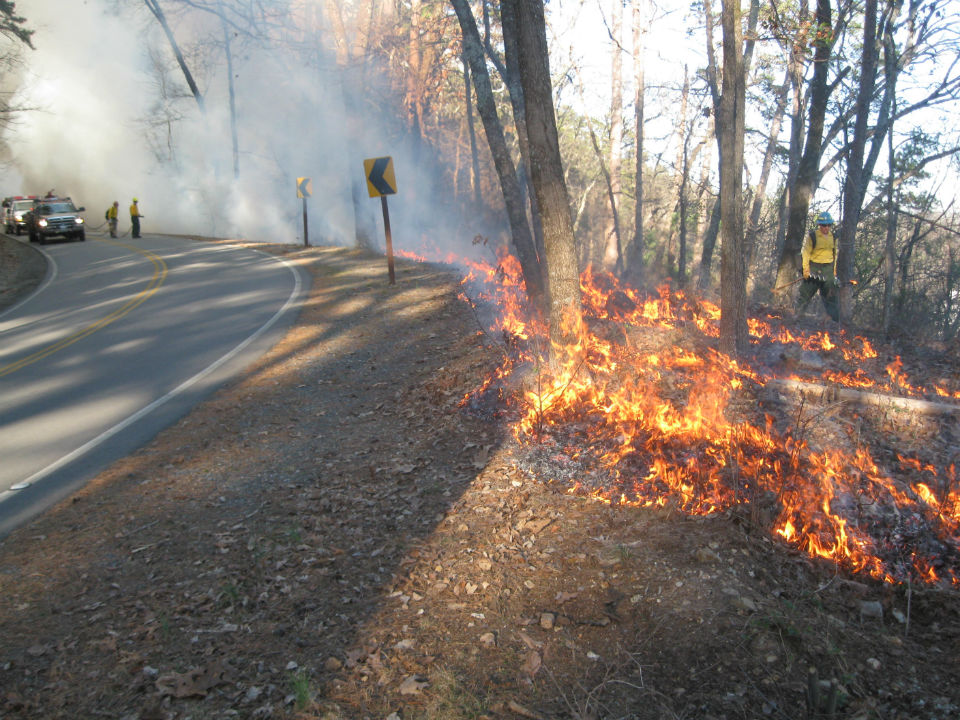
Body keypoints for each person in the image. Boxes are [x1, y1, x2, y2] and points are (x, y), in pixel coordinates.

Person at [797, 211, 839, 322]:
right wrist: (806, 269)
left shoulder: (833, 238)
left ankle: (834, 322)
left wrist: (833, 271)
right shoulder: (812, 237)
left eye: (829, 225)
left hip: (828, 269)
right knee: (805, 294)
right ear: (819, 225)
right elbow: (806, 253)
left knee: (831, 297)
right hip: (814, 268)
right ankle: (796, 318)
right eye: (824, 225)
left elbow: (835, 254)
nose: (826, 228)